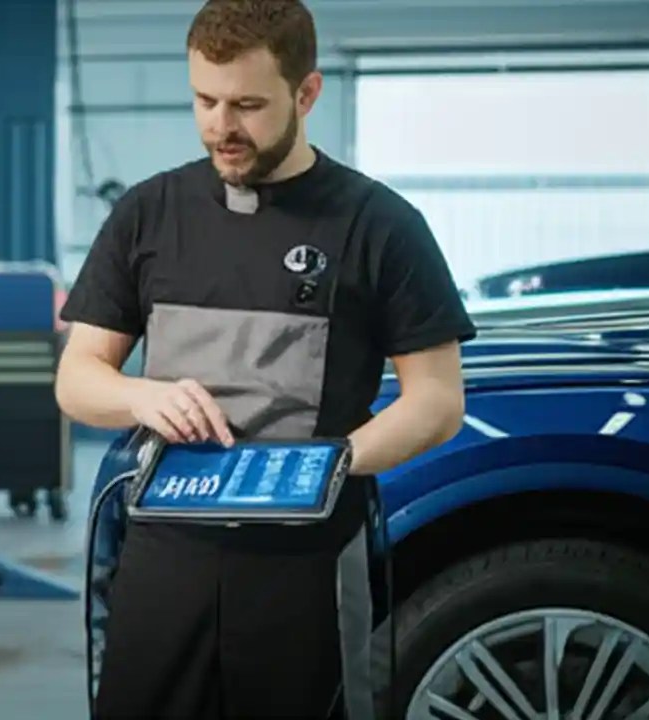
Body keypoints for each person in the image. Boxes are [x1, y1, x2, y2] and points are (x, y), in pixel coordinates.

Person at [55, 1, 477, 718]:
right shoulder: (147, 213)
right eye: (205, 101)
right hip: (165, 551)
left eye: (248, 104)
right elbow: (78, 377)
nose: (222, 125)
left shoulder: (380, 227)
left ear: (306, 93)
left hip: (306, 559)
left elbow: (437, 401)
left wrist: (329, 464)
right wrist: (140, 399)